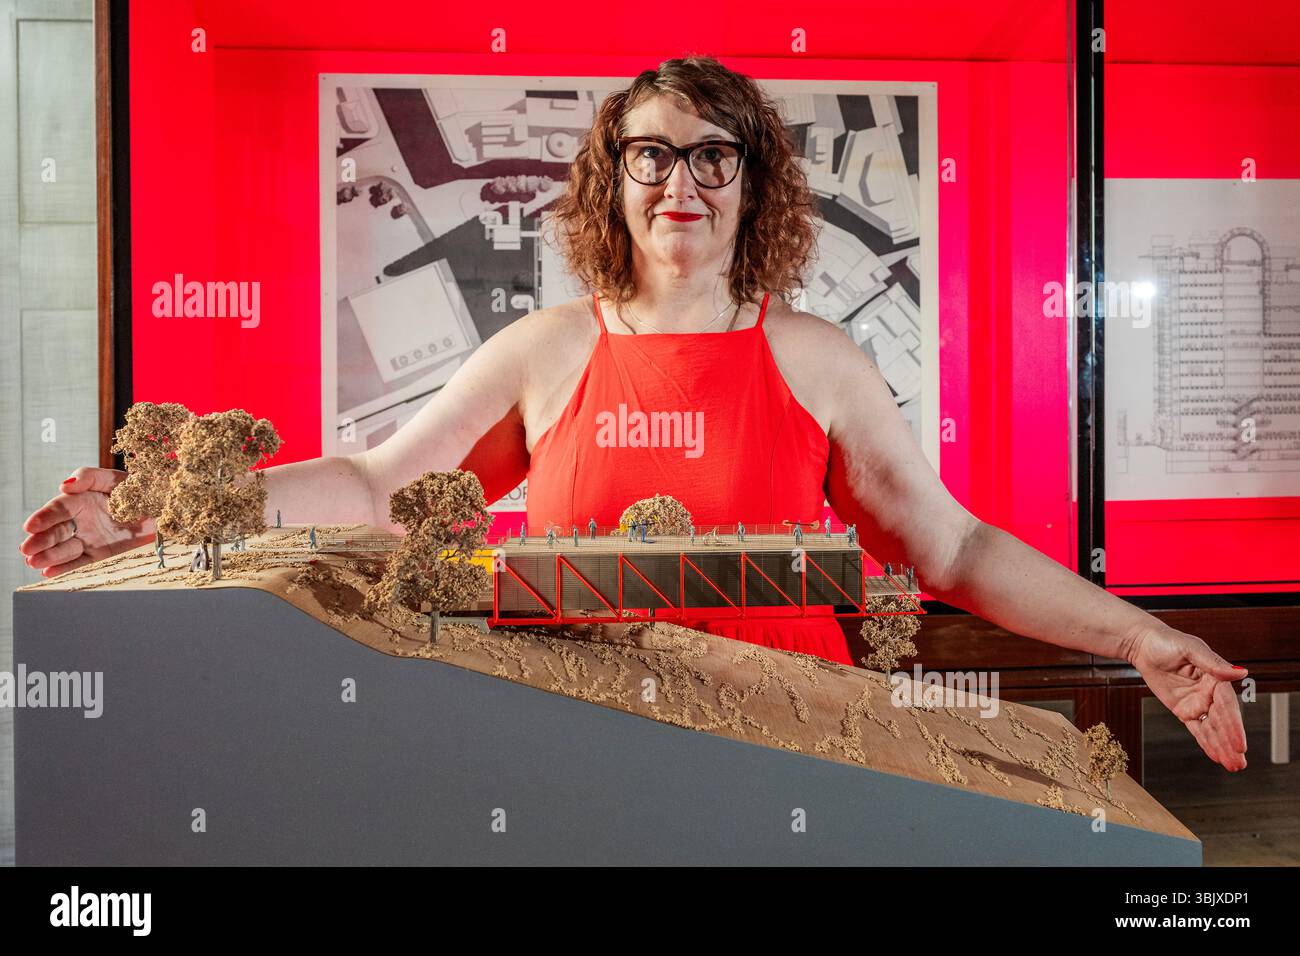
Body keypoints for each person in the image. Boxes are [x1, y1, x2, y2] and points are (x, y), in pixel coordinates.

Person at [15, 55, 1247, 771]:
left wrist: (1141, 637)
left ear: (750, 182)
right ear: (614, 183)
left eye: (714, 153)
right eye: (650, 154)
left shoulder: (816, 357)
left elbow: (952, 547)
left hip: (799, 750)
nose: (680, 180)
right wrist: (173, 502)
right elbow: (375, 483)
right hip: (578, 751)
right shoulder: (546, 348)